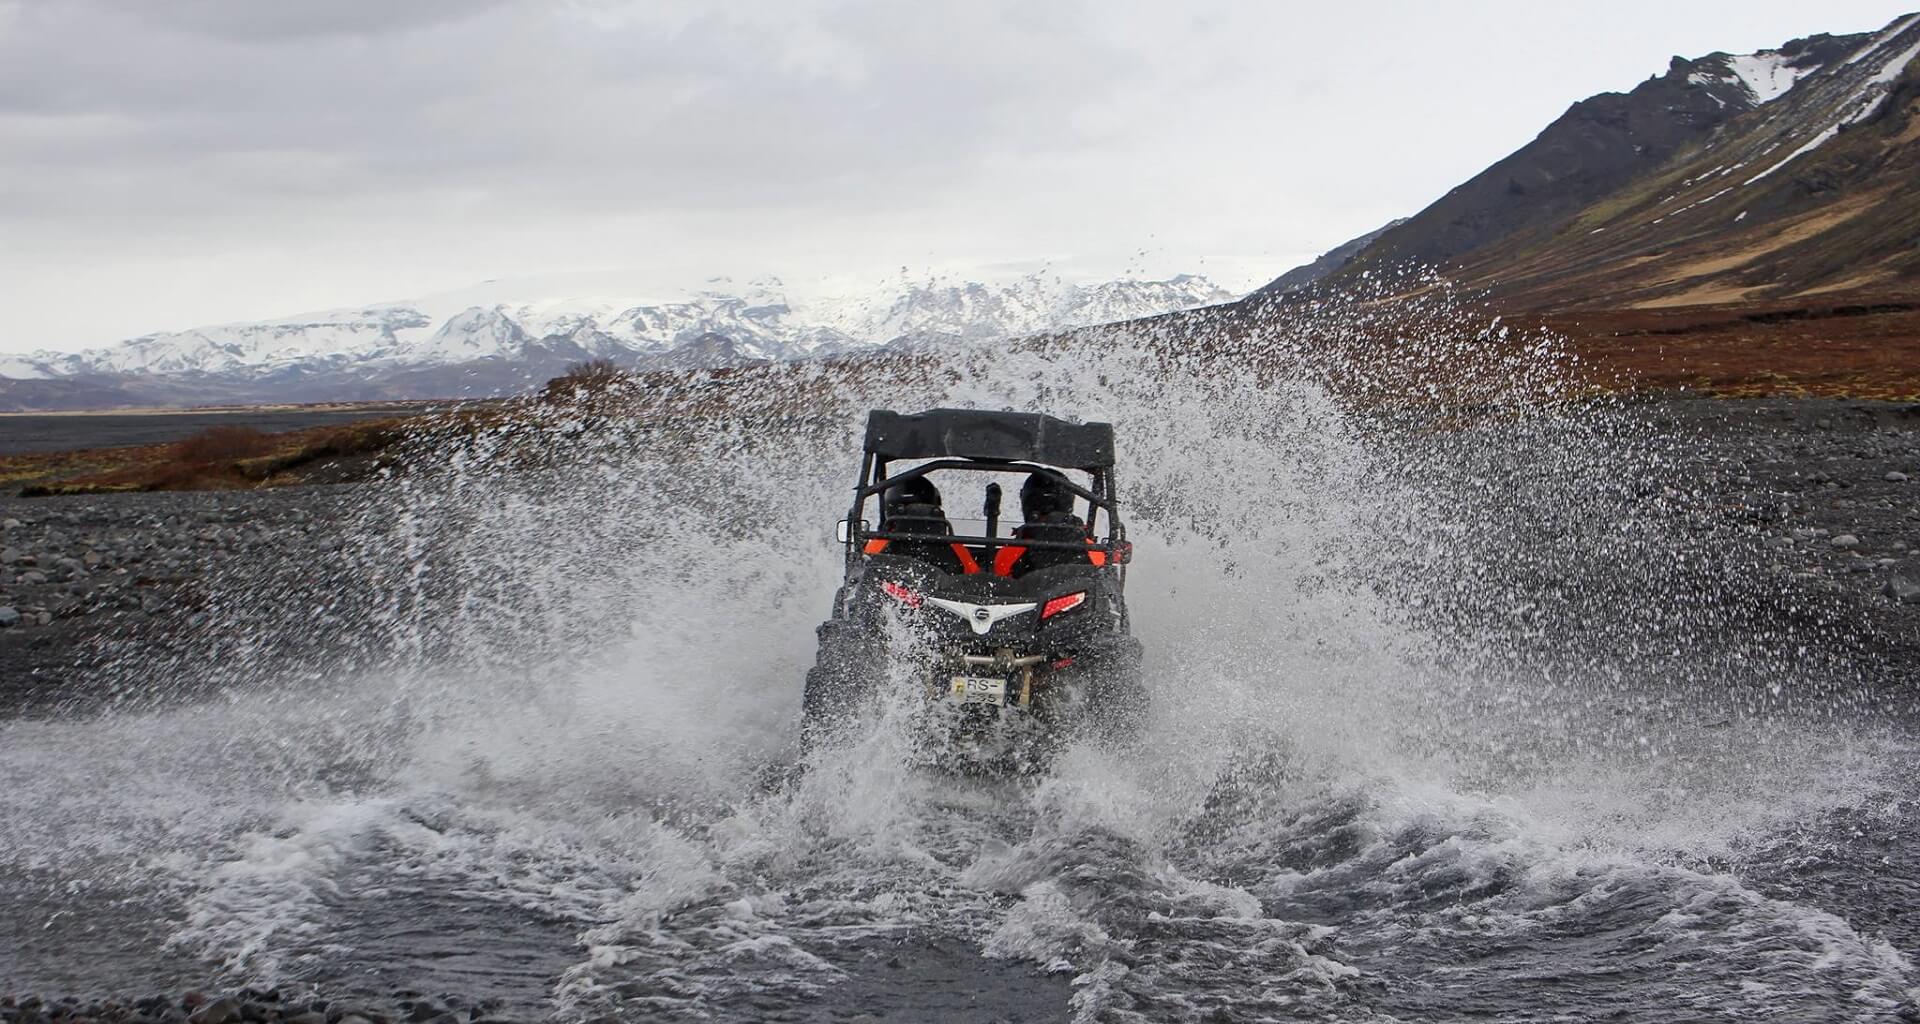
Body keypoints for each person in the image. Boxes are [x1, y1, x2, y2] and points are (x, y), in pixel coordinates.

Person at [862, 474, 982, 574]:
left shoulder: (877, 546)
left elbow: (865, 577)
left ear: (890, 509)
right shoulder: (955, 548)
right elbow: (974, 579)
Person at [992, 470, 1105, 576]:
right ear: (1068, 503)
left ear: (1028, 503)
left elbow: (1000, 578)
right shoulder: (1094, 552)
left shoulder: (1010, 554)